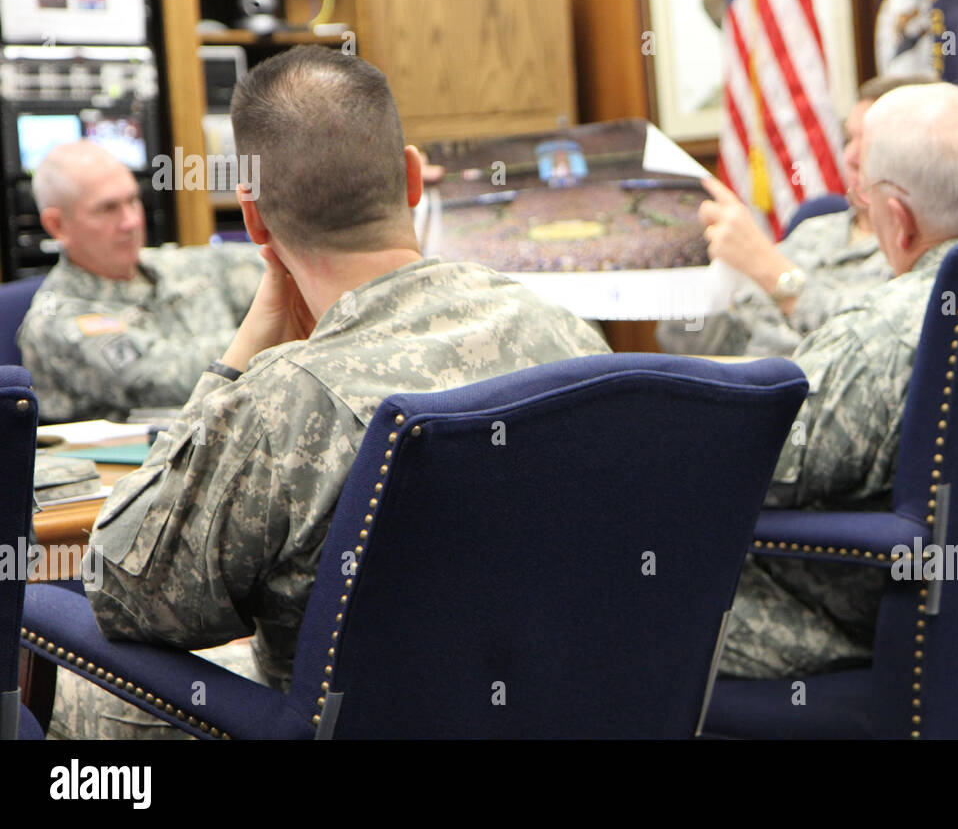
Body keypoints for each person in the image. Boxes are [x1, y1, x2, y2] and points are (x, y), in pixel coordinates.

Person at [66, 46, 609, 735]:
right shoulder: (572, 336)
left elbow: (122, 593)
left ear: (254, 220)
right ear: (411, 178)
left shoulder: (282, 398)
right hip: (561, 715)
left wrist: (234, 365)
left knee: (71, 686)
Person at [718, 82, 958, 678]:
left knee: (620, 568)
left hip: (870, 617)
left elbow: (742, 475)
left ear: (899, 220)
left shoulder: (877, 335)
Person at [656, 74, 936, 358]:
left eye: (869, 143)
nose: (850, 156)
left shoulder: (920, 247)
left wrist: (772, 272)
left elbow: (870, 347)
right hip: (737, 379)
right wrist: (704, 261)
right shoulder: (813, 230)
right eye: (849, 138)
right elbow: (684, 340)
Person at [17, 141, 263, 423]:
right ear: (57, 225)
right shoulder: (56, 321)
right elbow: (165, 381)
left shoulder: (177, 265)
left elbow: (279, 266)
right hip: (149, 450)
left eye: (133, 200)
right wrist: (269, 329)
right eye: (108, 209)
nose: (131, 221)